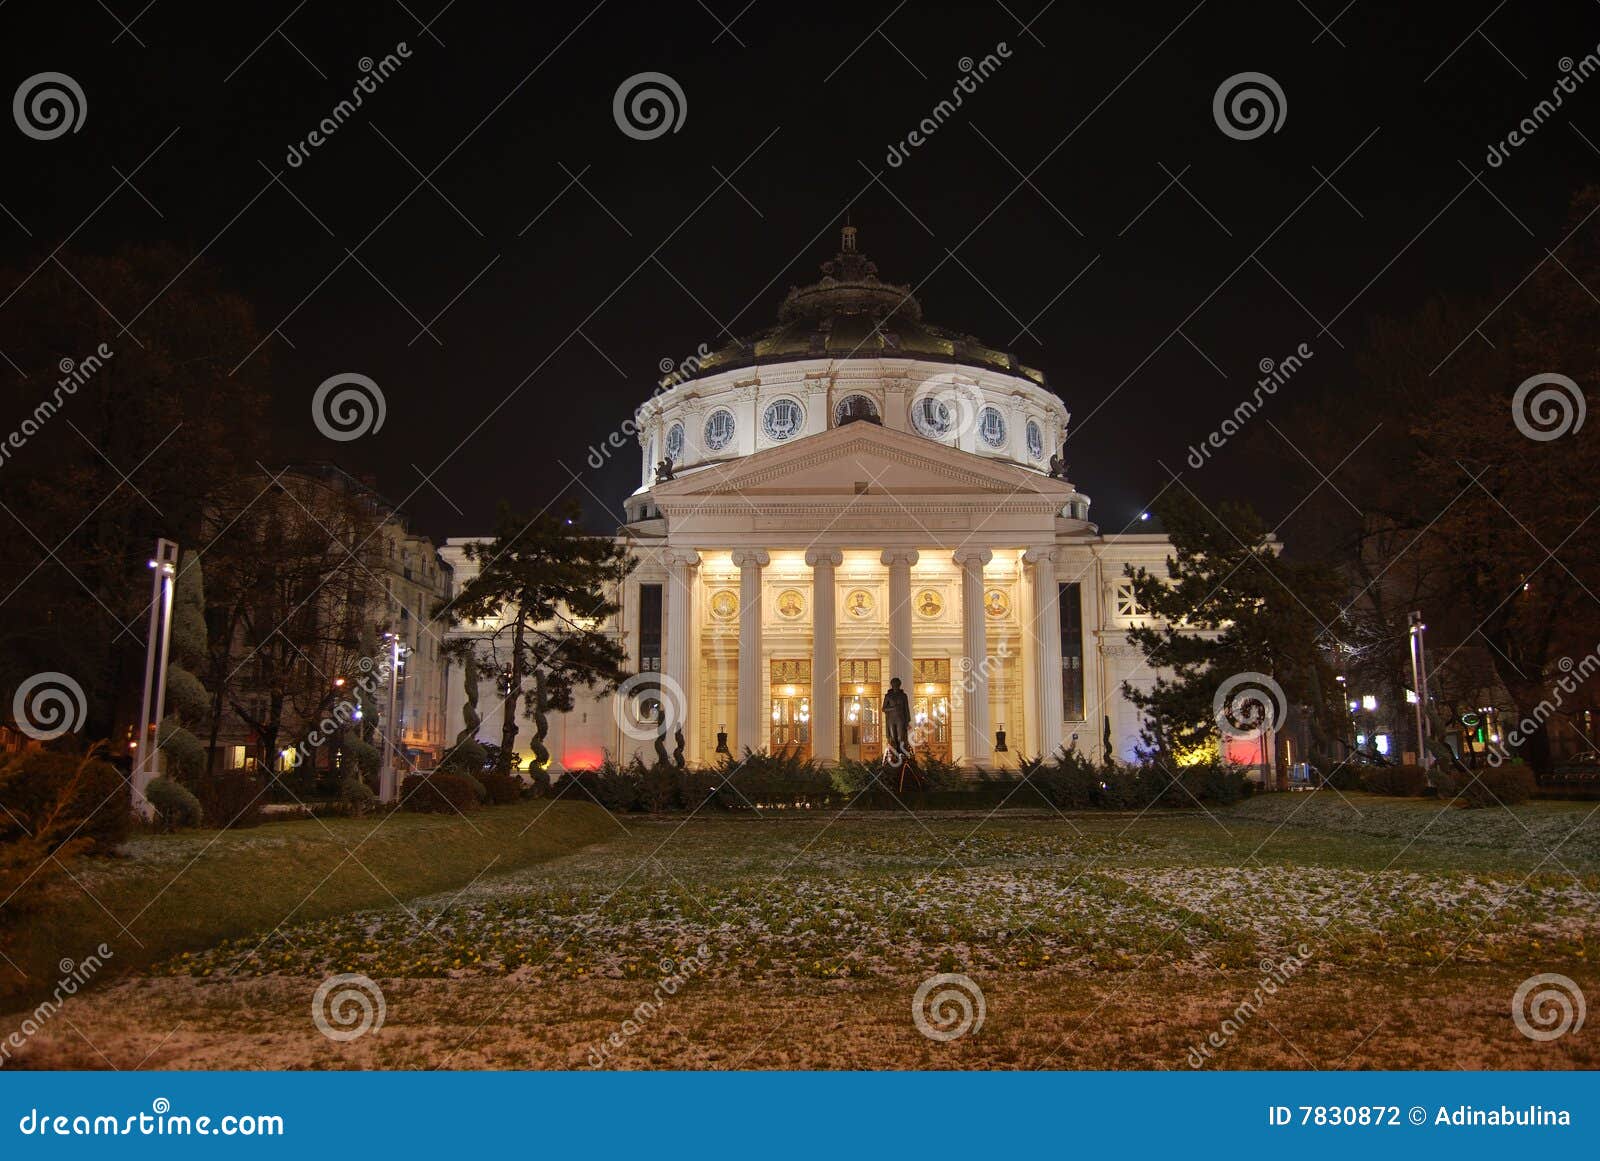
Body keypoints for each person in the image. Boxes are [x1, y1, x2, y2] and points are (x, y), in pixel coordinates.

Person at [882, 677, 910, 763]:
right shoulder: (888, 696)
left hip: (900, 719)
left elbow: (906, 709)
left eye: (897, 684)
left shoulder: (903, 696)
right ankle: (894, 755)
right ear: (892, 685)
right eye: (894, 684)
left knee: (900, 737)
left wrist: (907, 721)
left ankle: (901, 754)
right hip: (891, 719)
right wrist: (893, 708)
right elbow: (884, 709)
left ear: (899, 685)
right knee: (893, 738)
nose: (895, 686)